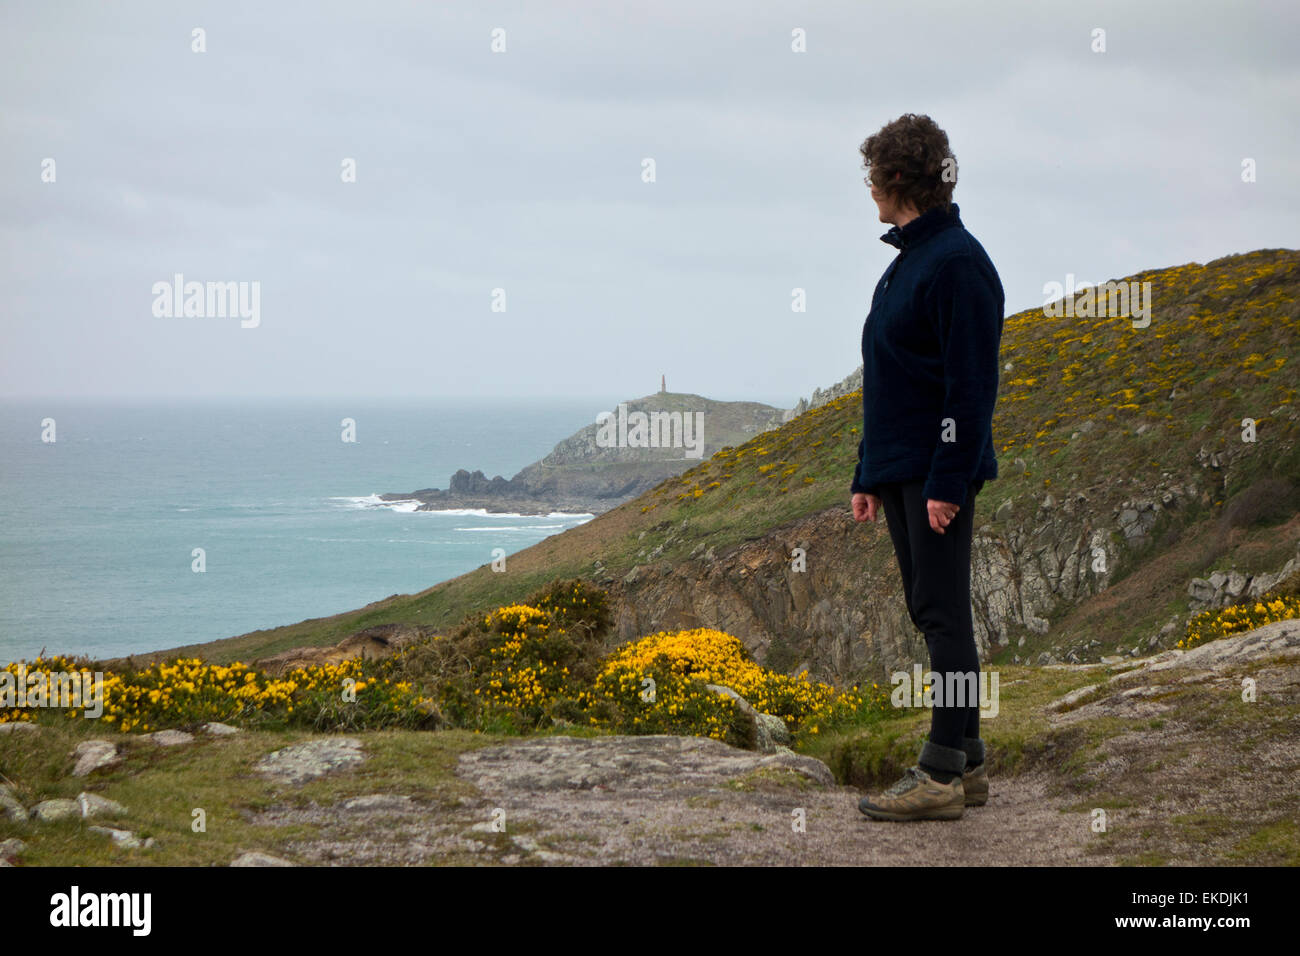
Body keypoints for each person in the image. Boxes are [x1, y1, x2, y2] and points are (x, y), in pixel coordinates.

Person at [850, 114, 1005, 821]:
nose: (868, 188)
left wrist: (946, 482)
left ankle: (940, 774)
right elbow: (893, 378)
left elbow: (968, 390)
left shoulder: (956, 263)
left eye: (873, 176)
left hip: (936, 472)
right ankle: (966, 761)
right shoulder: (911, 259)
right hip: (905, 467)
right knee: (935, 612)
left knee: (942, 618)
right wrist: (868, 473)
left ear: (898, 181)